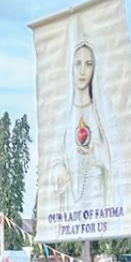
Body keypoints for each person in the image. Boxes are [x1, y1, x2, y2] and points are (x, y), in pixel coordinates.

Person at [55, 39, 112, 210]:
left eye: (88, 64)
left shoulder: (101, 110)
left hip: (96, 191)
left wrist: (94, 149)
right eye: (77, 64)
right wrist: (59, 170)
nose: (82, 71)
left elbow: (113, 158)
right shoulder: (64, 113)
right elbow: (56, 156)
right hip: (70, 195)